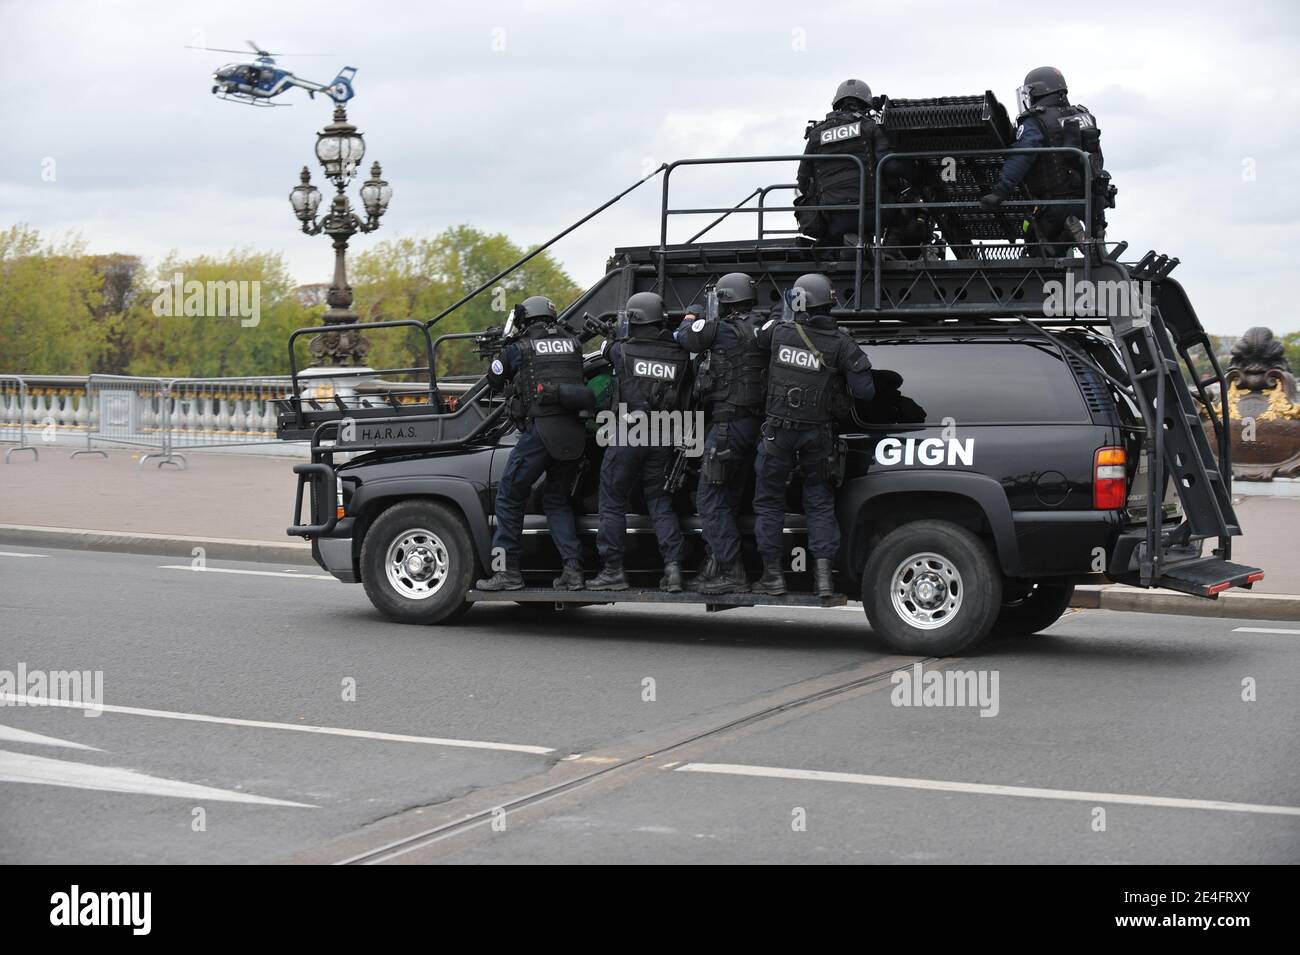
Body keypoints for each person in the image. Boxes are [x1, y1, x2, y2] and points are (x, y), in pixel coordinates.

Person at [751, 274, 875, 597]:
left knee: (769, 503)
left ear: (798, 301)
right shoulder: (842, 343)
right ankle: (824, 580)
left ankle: (773, 577)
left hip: (778, 434)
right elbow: (866, 392)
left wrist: (786, 308)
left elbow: (758, 337)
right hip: (817, 436)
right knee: (819, 503)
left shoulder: (779, 331)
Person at [475, 296, 588, 592]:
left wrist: (504, 348)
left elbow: (494, 380)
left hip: (540, 432)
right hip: (574, 434)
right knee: (556, 500)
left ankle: (508, 572)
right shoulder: (573, 343)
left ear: (525, 319)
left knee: (509, 497)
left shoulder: (519, 347)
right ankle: (573, 570)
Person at [588, 292, 691, 592]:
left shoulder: (622, 351)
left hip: (629, 432)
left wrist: (615, 335)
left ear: (633, 319)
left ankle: (613, 570)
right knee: (660, 502)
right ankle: (673, 569)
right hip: (664, 435)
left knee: (612, 500)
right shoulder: (680, 354)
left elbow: (605, 347)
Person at [674, 272, 767, 594]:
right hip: (753, 427)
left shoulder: (721, 329)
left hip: (727, 428)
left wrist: (691, 314)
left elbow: (684, 337)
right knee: (728, 498)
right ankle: (715, 568)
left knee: (709, 499)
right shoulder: (762, 329)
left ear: (725, 300)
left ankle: (732, 571)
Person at [979, 66, 1111, 257]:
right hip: (1091, 203)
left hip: (1055, 203)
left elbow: (1023, 155)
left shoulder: (1035, 120)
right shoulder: (1085, 116)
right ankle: (1093, 240)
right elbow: (1098, 160)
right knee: (1092, 260)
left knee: (1038, 253)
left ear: (1038, 91)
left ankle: (1068, 231)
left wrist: (1000, 192)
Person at [797, 79, 913, 251]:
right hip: (873, 213)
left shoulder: (816, 134)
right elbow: (891, 165)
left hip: (833, 220)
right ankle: (889, 250)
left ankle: (848, 246)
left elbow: (802, 181)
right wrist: (916, 173)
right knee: (908, 204)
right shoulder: (870, 127)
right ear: (866, 103)